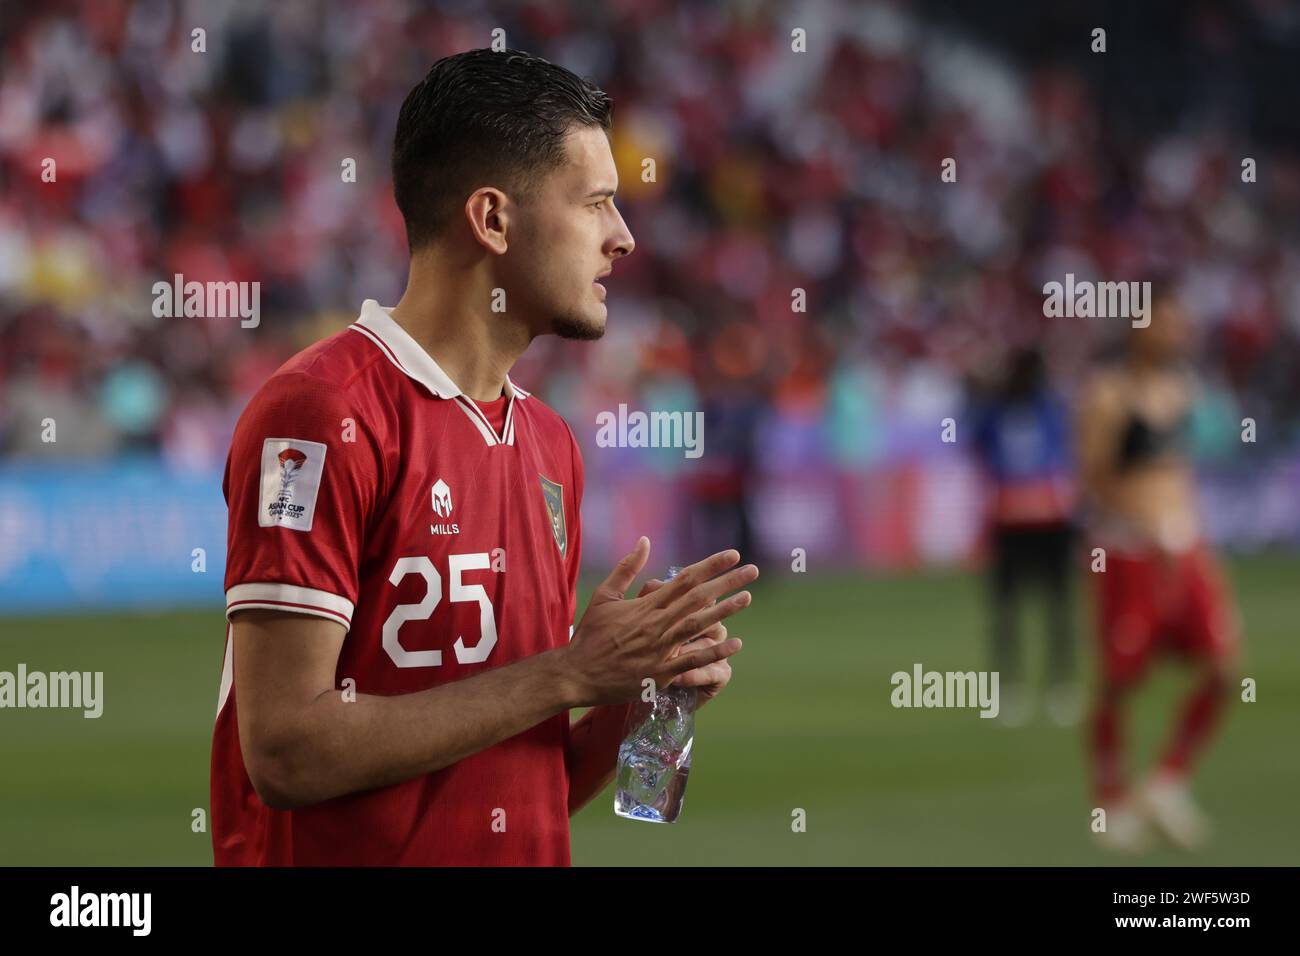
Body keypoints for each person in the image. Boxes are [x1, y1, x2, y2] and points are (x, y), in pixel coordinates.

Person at [209, 49, 759, 866]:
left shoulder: (550, 444)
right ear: (493, 220)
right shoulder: (321, 414)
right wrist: (569, 673)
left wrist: (627, 693)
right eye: (598, 204)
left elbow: (521, 786)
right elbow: (288, 752)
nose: (625, 238)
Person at [1075, 286, 1239, 852]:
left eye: (1180, 322)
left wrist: (1184, 528)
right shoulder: (1107, 395)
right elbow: (1093, 480)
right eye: (1166, 322)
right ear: (1138, 327)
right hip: (1128, 552)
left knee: (1225, 668)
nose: (1177, 333)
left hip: (1184, 546)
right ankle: (1111, 799)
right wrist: (1147, 525)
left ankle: (1168, 779)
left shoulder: (1181, 391)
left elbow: (1177, 471)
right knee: (1121, 679)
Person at [969, 347, 1079, 727]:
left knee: (1054, 606)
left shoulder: (1047, 409)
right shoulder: (1002, 410)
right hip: (1016, 515)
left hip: (1042, 515)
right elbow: (976, 445)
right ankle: (1013, 686)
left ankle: (1058, 683)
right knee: (1012, 609)